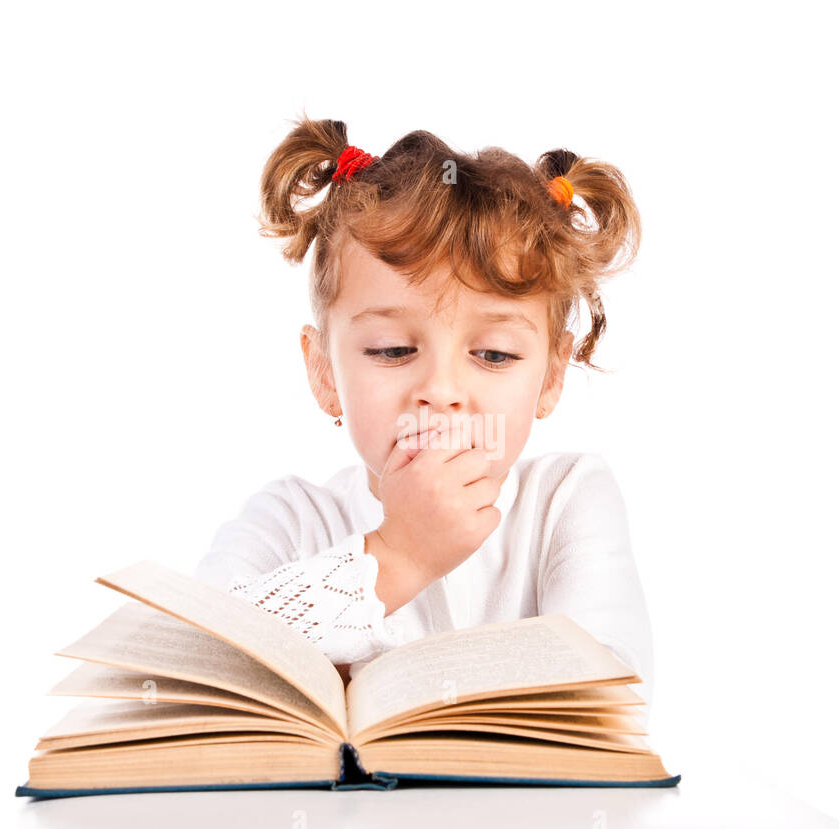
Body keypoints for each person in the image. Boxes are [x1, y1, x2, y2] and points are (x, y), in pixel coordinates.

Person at [194, 114, 656, 709]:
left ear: (552, 374)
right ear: (325, 372)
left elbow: (612, 690)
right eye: (392, 350)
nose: (440, 391)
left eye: (493, 353)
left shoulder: (567, 500)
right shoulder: (290, 519)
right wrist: (397, 556)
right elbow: (194, 659)